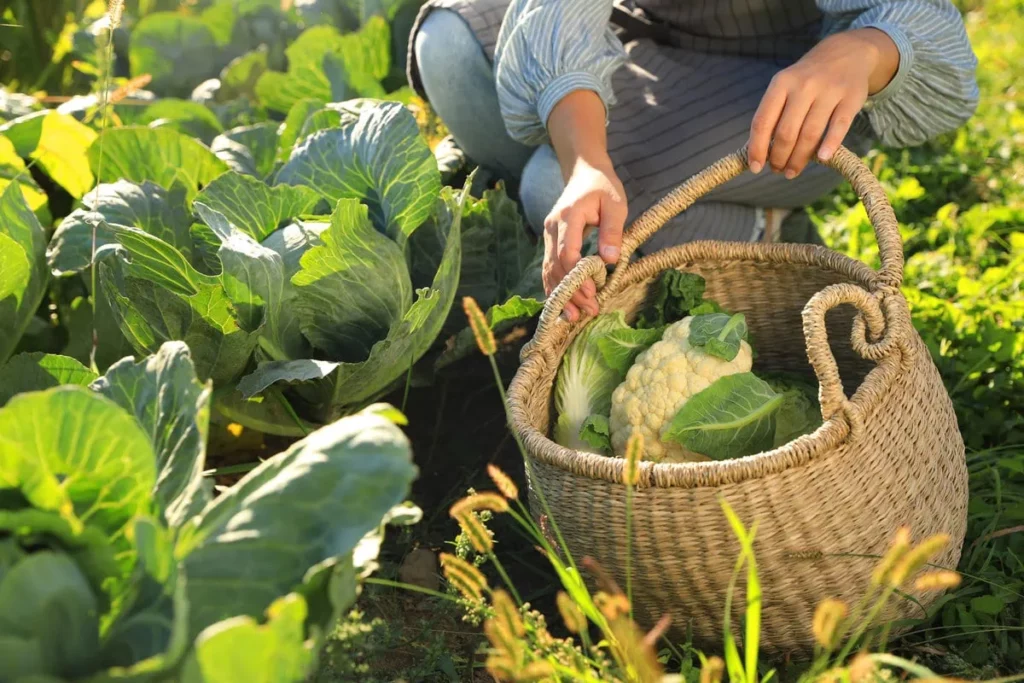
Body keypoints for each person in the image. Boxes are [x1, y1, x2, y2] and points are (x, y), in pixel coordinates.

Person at [407, 0, 978, 321]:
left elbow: (930, 33)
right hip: (643, 38)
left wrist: (862, 50)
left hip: (796, 82)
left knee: (544, 182)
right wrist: (587, 161)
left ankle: (752, 231)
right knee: (449, 44)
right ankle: (646, 231)